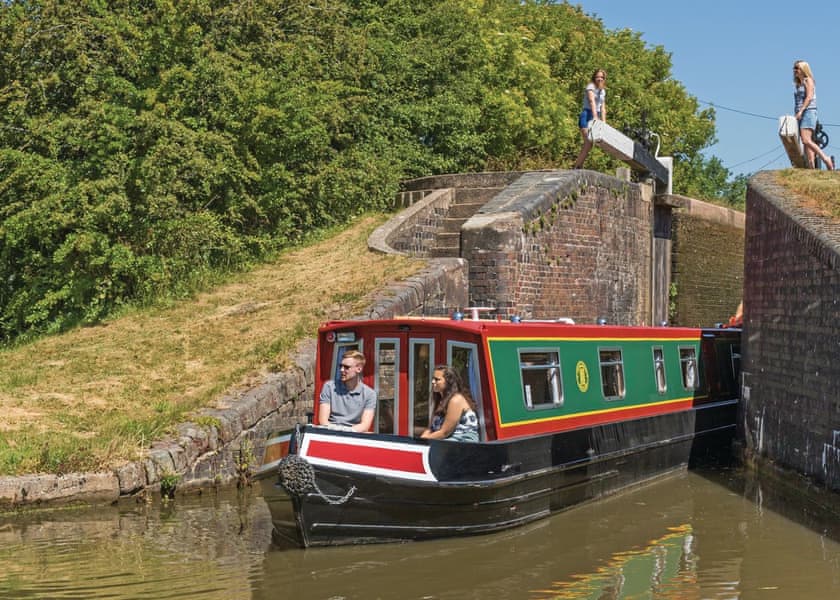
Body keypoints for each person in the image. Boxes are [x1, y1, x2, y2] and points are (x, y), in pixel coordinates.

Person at [318, 349, 376, 432]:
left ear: (359, 369)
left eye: (346, 367)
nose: (341, 370)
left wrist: (346, 432)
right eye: (340, 366)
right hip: (330, 434)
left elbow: (365, 426)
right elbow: (323, 421)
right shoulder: (329, 387)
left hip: (354, 437)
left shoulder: (370, 394)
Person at [793, 60, 834, 170]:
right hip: (800, 113)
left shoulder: (808, 80)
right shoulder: (798, 84)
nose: (795, 70)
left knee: (806, 140)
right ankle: (811, 167)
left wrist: (801, 111)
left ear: (803, 69)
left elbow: (809, 97)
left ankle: (826, 159)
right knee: (806, 142)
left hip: (808, 112)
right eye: (794, 68)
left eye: (797, 68)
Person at [420, 365, 479, 442]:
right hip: (445, 443)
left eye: (437, 379)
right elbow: (430, 428)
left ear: (448, 382)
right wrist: (421, 439)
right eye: (433, 379)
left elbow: (445, 432)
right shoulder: (441, 400)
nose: (433, 382)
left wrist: (423, 441)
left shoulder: (456, 400)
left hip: (462, 443)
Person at [572, 69, 607, 170]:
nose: (599, 79)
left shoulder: (603, 91)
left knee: (590, 144)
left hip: (596, 116)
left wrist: (603, 122)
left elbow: (603, 108)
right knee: (588, 141)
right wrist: (595, 117)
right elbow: (592, 101)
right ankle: (576, 166)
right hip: (587, 115)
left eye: (602, 77)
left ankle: (578, 165)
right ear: (594, 77)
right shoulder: (590, 87)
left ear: (604, 79)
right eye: (598, 77)